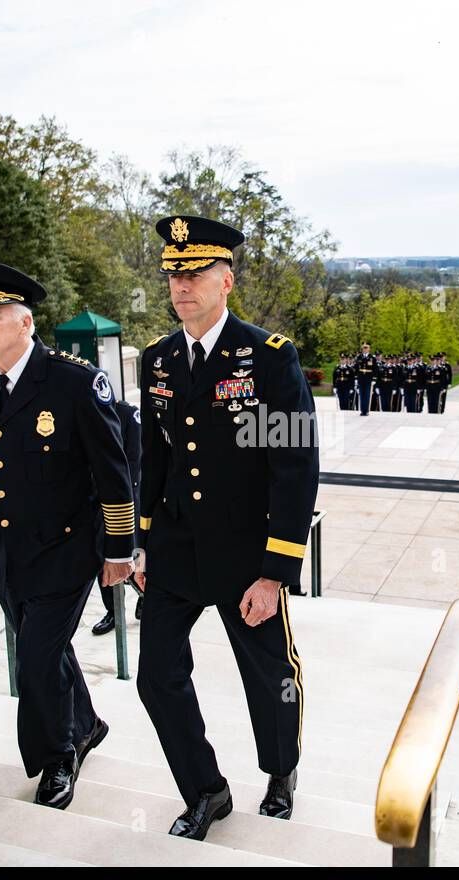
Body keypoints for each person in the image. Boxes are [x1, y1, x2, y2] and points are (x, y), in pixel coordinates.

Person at [135, 215, 318, 840]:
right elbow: (153, 458)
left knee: (268, 676)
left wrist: (275, 572)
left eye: (195, 273)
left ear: (226, 280)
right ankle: (206, 789)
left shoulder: (266, 357)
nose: (181, 285)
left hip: (246, 554)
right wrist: (140, 541)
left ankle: (280, 771)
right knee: (155, 675)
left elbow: (294, 467)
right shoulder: (158, 360)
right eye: (173, 275)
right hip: (175, 550)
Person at [0, 258, 136, 811]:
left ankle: (56, 758)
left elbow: (112, 469)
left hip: (67, 547)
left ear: (25, 322)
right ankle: (89, 722)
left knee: (34, 655)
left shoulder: (73, 381)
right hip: (4, 552)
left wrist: (119, 548)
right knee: (46, 652)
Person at [92, 398, 142, 635]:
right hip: (99, 499)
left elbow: (134, 456)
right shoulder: (87, 411)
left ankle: (145, 595)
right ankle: (112, 610)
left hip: (129, 496)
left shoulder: (127, 413)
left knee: (137, 552)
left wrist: (128, 495)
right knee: (104, 557)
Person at [354, 342, 378, 416]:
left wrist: (374, 379)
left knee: (367, 395)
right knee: (362, 395)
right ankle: (362, 410)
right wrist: (356, 378)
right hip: (361, 378)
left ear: (369, 349)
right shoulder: (359, 357)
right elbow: (356, 368)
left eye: (366, 348)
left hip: (368, 378)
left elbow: (375, 369)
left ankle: (366, 410)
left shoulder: (372, 358)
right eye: (364, 348)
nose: (365, 349)